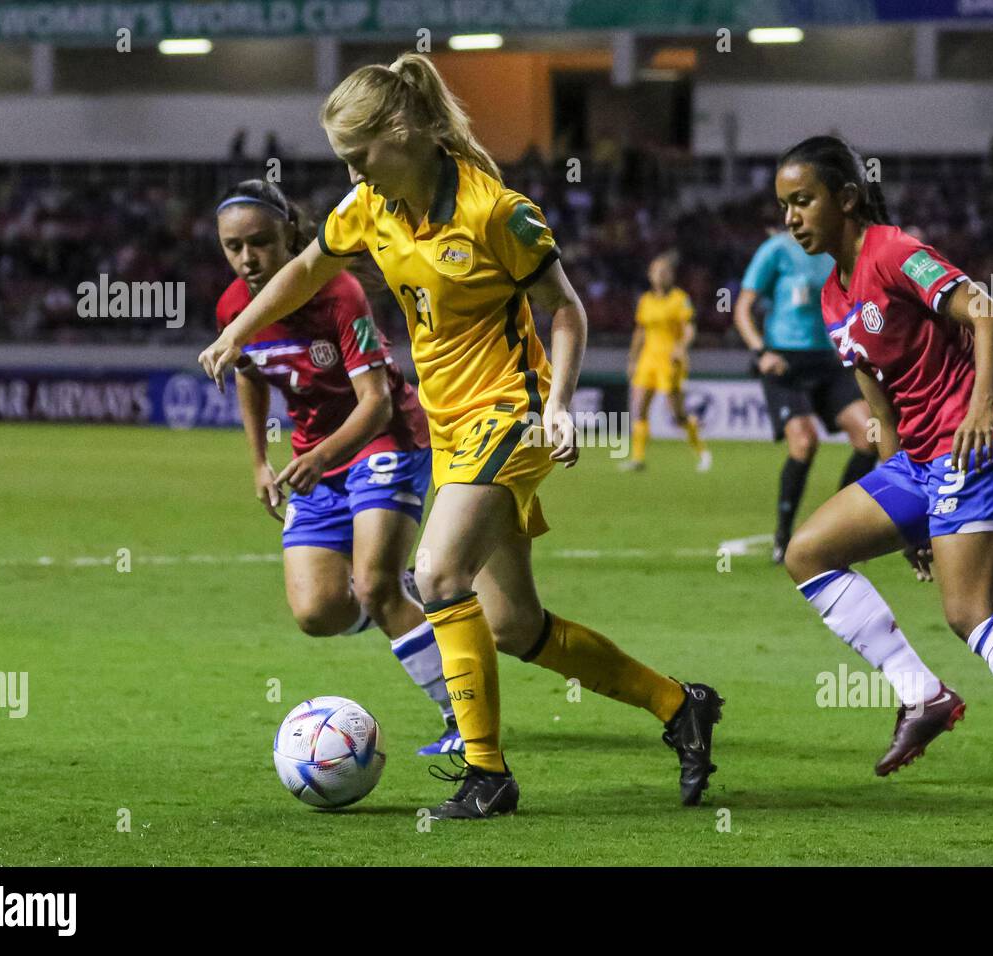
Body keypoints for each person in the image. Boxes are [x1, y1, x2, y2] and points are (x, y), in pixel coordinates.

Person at [199, 55, 723, 819]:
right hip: (451, 426)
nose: (354, 174)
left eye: (360, 155)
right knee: (512, 625)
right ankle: (679, 706)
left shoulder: (495, 211)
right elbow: (307, 268)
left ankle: (487, 776)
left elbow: (566, 309)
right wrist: (237, 330)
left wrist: (562, 405)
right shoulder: (372, 205)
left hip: (512, 412)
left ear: (404, 132)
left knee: (438, 576)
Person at [775, 136, 993, 801]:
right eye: (785, 207)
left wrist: (977, 409)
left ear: (846, 198)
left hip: (978, 443)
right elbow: (877, 405)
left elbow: (990, 317)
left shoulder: (894, 252)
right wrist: (899, 507)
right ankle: (923, 695)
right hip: (918, 458)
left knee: (969, 612)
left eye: (804, 201)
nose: (792, 218)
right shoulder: (832, 294)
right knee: (808, 553)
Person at [213, 178, 461, 756]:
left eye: (261, 243)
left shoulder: (338, 293)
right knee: (318, 612)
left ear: (291, 235)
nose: (248, 258)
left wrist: (318, 456)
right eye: (233, 247)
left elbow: (374, 403)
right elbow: (249, 376)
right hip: (314, 458)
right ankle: (398, 594)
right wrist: (258, 462)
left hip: (385, 441)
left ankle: (463, 719)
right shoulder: (234, 306)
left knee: (371, 586)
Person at [734, 228, 876, 564]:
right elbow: (743, 308)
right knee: (804, 442)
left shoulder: (834, 251)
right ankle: (783, 536)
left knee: (870, 436)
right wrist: (760, 353)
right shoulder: (775, 251)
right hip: (783, 362)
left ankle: (839, 529)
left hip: (826, 359)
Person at [623, 251, 710, 472]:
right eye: (656, 271)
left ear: (671, 275)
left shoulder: (679, 299)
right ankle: (638, 458)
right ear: (650, 275)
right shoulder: (646, 300)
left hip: (670, 361)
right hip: (647, 360)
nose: (661, 275)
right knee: (640, 408)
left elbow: (690, 327)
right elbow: (640, 332)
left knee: (677, 414)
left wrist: (681, 346)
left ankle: (702, 453)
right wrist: (633, 359)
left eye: (665, 271)